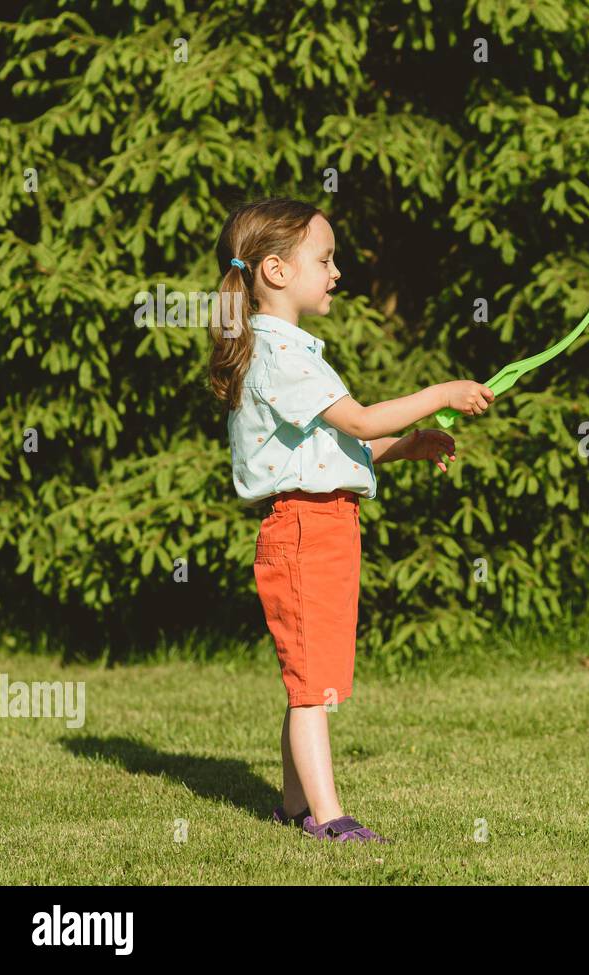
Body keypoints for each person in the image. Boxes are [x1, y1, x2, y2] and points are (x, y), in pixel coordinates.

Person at [208, 197, 493, 842]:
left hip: (325, 526)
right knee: (312, 689)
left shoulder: (287, 349)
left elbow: (341, 449)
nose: (337, 272)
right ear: (276, 271)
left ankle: (289, 805)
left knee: (310, 677)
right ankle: (329, 818)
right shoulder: (281, 354)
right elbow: (362, 420)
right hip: (306, 531)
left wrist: (410, 444)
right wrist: (441, 396)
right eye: (326, 259)